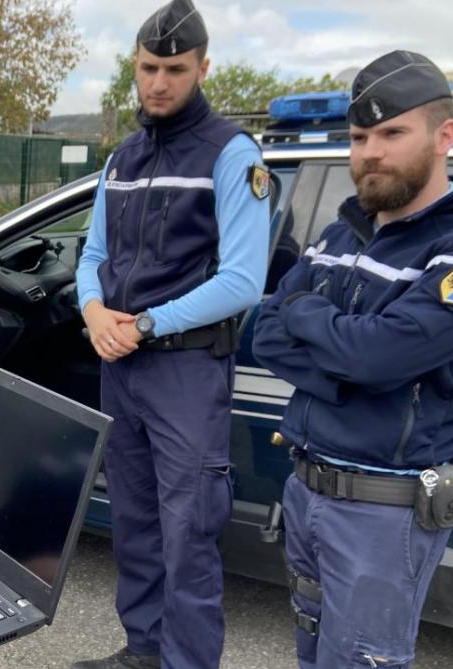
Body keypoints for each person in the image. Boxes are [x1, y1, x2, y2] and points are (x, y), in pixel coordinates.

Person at [252, 50, 453, 669]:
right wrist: (346, 357)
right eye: (358, 136)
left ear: (443, 135)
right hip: (307, 488)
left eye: (391, 133)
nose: (370, 151)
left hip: (383, 510)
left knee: (360, 661)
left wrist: (317, 325)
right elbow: (268, 333)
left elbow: (377, 357)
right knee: (311, 649)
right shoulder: (339, 235)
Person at [71, 0, 270, 666]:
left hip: (184, 371)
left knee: (188, 536)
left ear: (202, 67)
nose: (159, 82)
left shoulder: (232, 153)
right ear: (135, 65)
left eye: (175, 69)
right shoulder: (121, 158)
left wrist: (147, 323)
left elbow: (243, 280)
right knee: (134, 526)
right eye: (149, 67)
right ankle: (142, 650)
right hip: (121, 367)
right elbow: (91, 254)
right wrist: (94, 312)